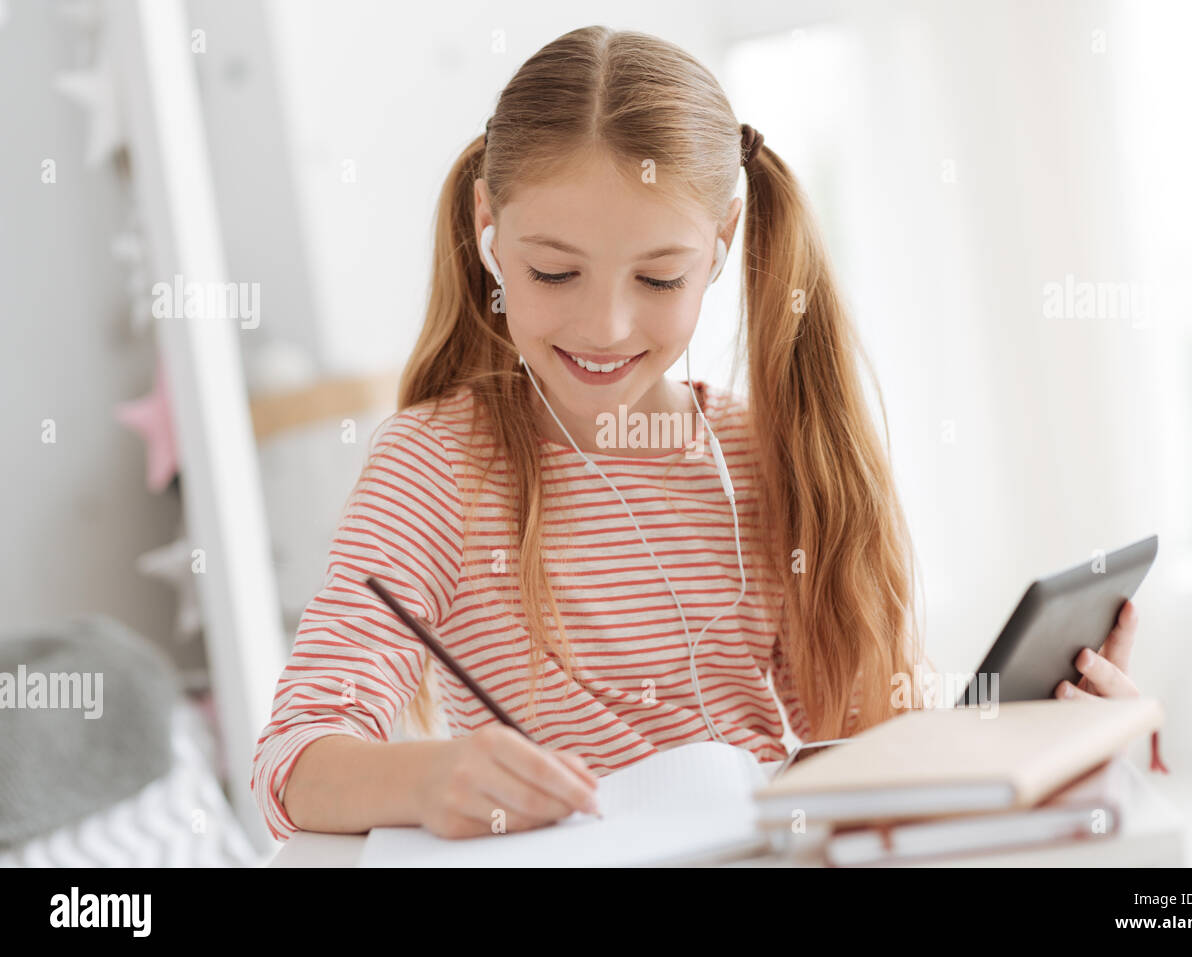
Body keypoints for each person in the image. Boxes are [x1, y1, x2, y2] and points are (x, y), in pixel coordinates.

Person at [250, 25, 1141, 843]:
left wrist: (1040, 726)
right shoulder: (436, 465)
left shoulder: (761, 450)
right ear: (488, 228)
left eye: (660, 278)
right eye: (553, 271)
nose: (604, 325)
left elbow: (879, 745)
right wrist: (426, 777)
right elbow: (290, 761)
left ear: (720, 242)